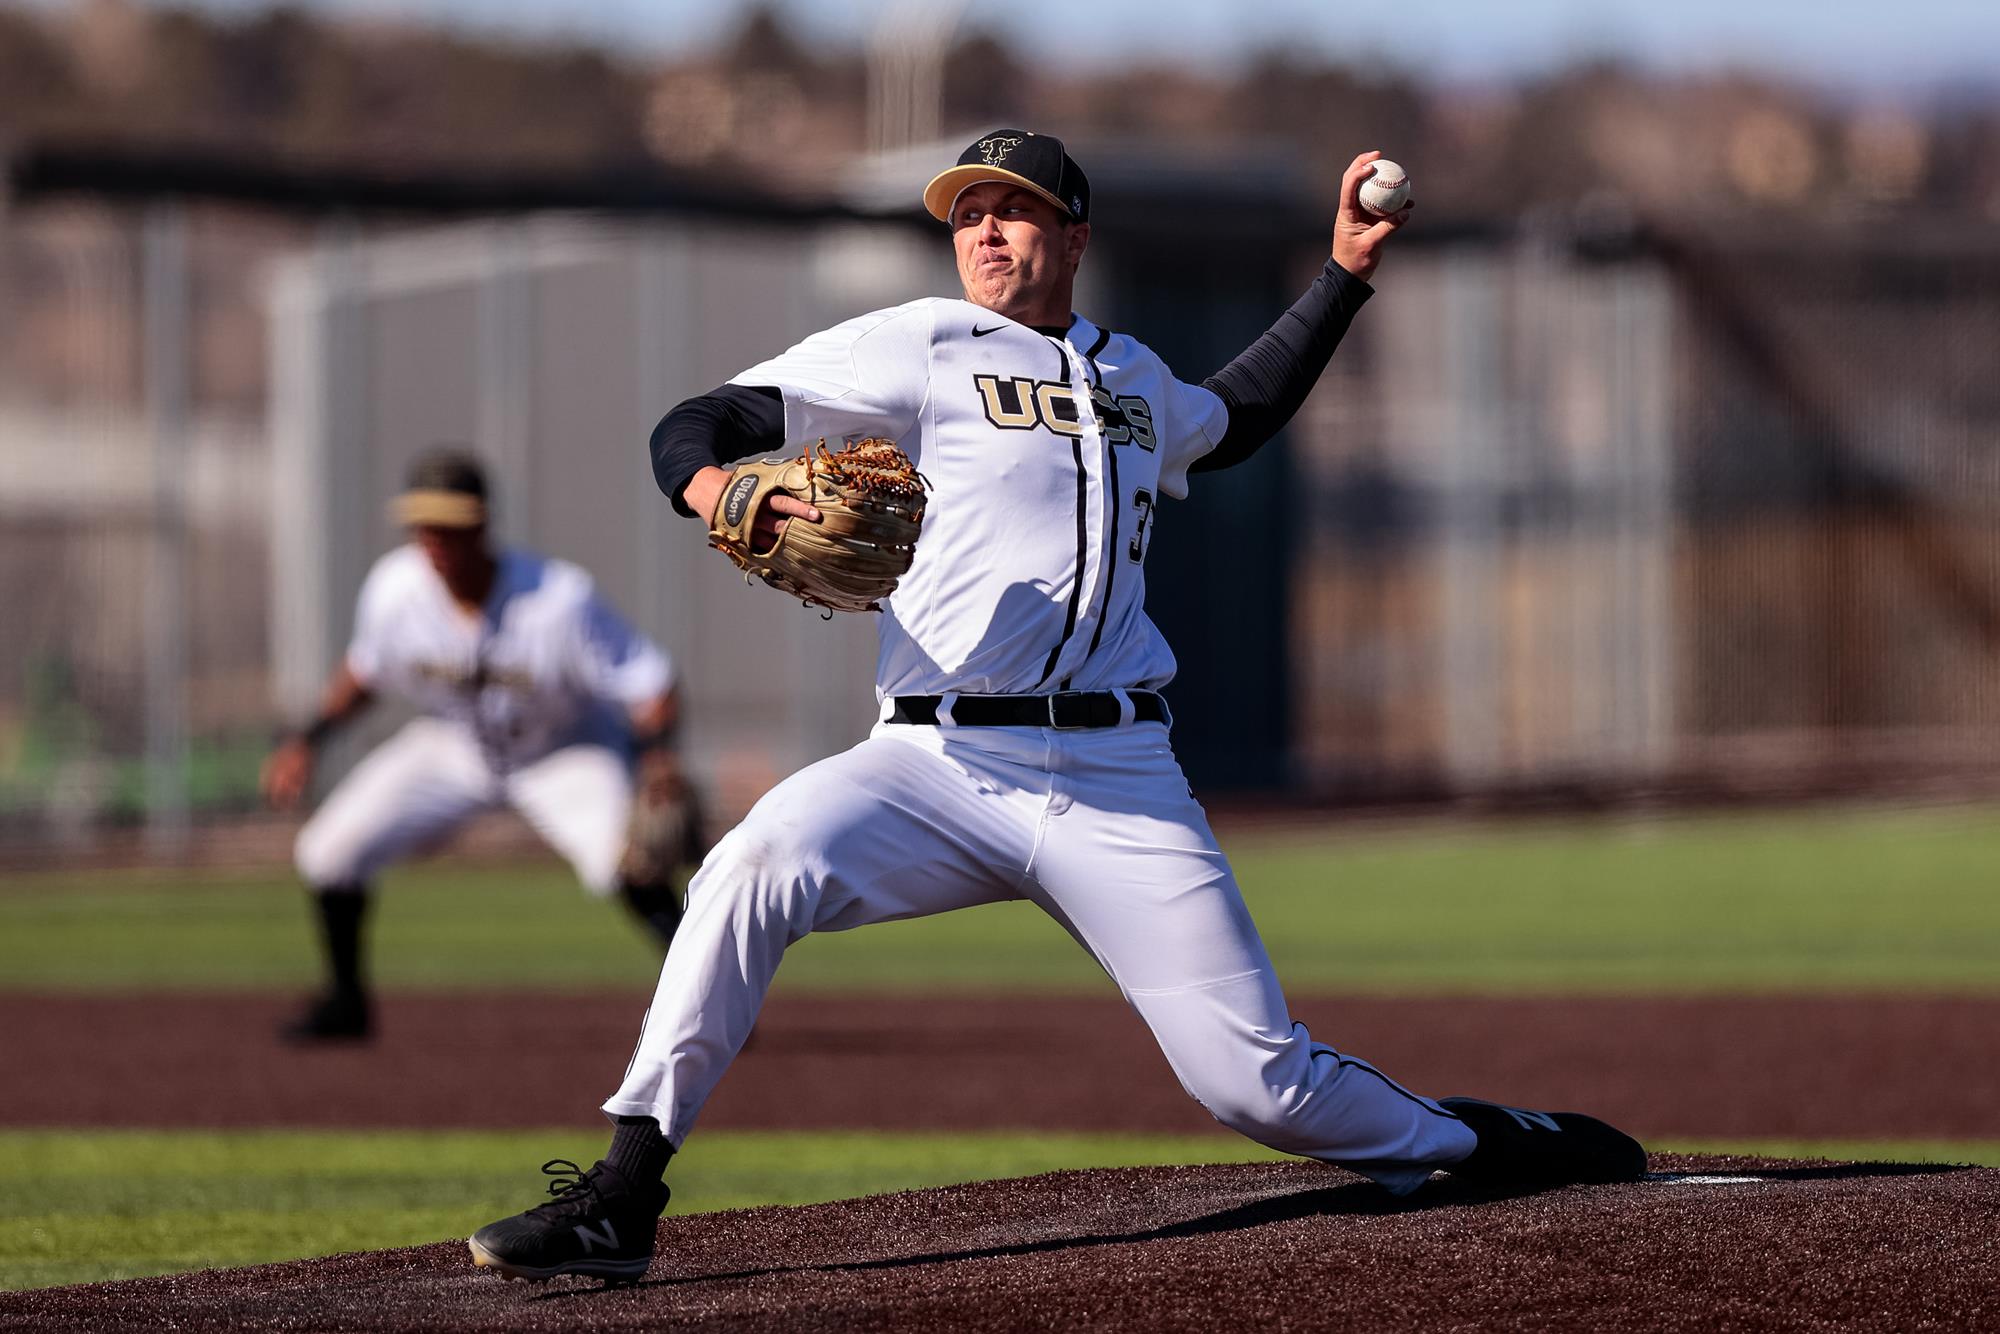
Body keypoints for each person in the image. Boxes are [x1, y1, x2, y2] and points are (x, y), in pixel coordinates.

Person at [467, 131, 1646, 1283]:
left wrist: (1341, 277)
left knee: (1257, 1084)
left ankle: (1482, 1139)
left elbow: (1235, 416)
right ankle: (621, 1194)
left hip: (1118, 774)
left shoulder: (1130, 376)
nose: (983, 229)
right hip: (933, 764)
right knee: (748, 863)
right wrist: (719, 489)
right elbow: (701, 419)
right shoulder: (920, 344)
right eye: (966, 213)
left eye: (1012, 208)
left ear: (1072, 235)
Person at [262, 448, 694, 1042]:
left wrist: (657, 757)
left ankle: (706, 1001)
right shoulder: (396, 588)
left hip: (560, 748)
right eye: (423, 525)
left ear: (481, 524)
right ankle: (345, 1005)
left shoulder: (558, 599)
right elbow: (364, 675)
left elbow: (653, 683)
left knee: (627, 862)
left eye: (449, 524)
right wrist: (305, 741)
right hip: (456, 745)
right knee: (328, 850)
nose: (434, 539)